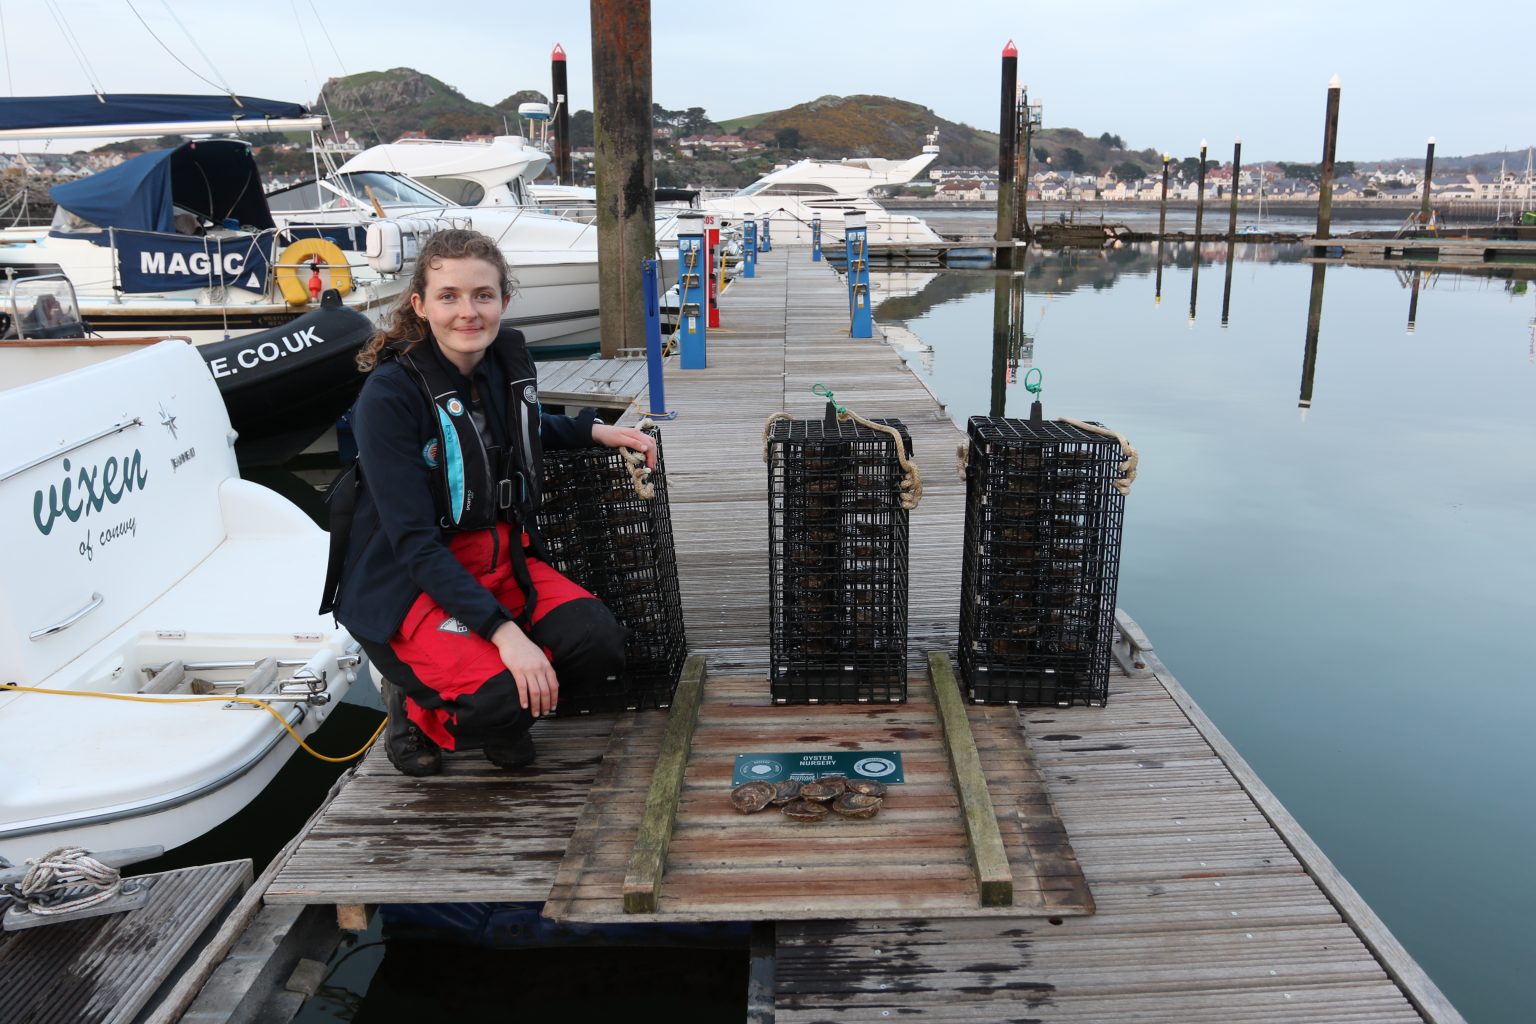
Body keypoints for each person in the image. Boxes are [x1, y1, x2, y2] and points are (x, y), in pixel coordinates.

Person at [322, 228, 656, 776]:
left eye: (483, 295)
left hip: (499, 557)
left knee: (599, 644)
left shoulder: (496, 362)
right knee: (501, 693)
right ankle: (418, 710)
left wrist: (592, 431)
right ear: (420, 306)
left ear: (504, 299)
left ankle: (507, 714)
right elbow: (412, 543)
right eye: (448, 296)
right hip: (414, 580)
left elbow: (507, 431)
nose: (468, 312)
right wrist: (507, 637)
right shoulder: (387, 398)